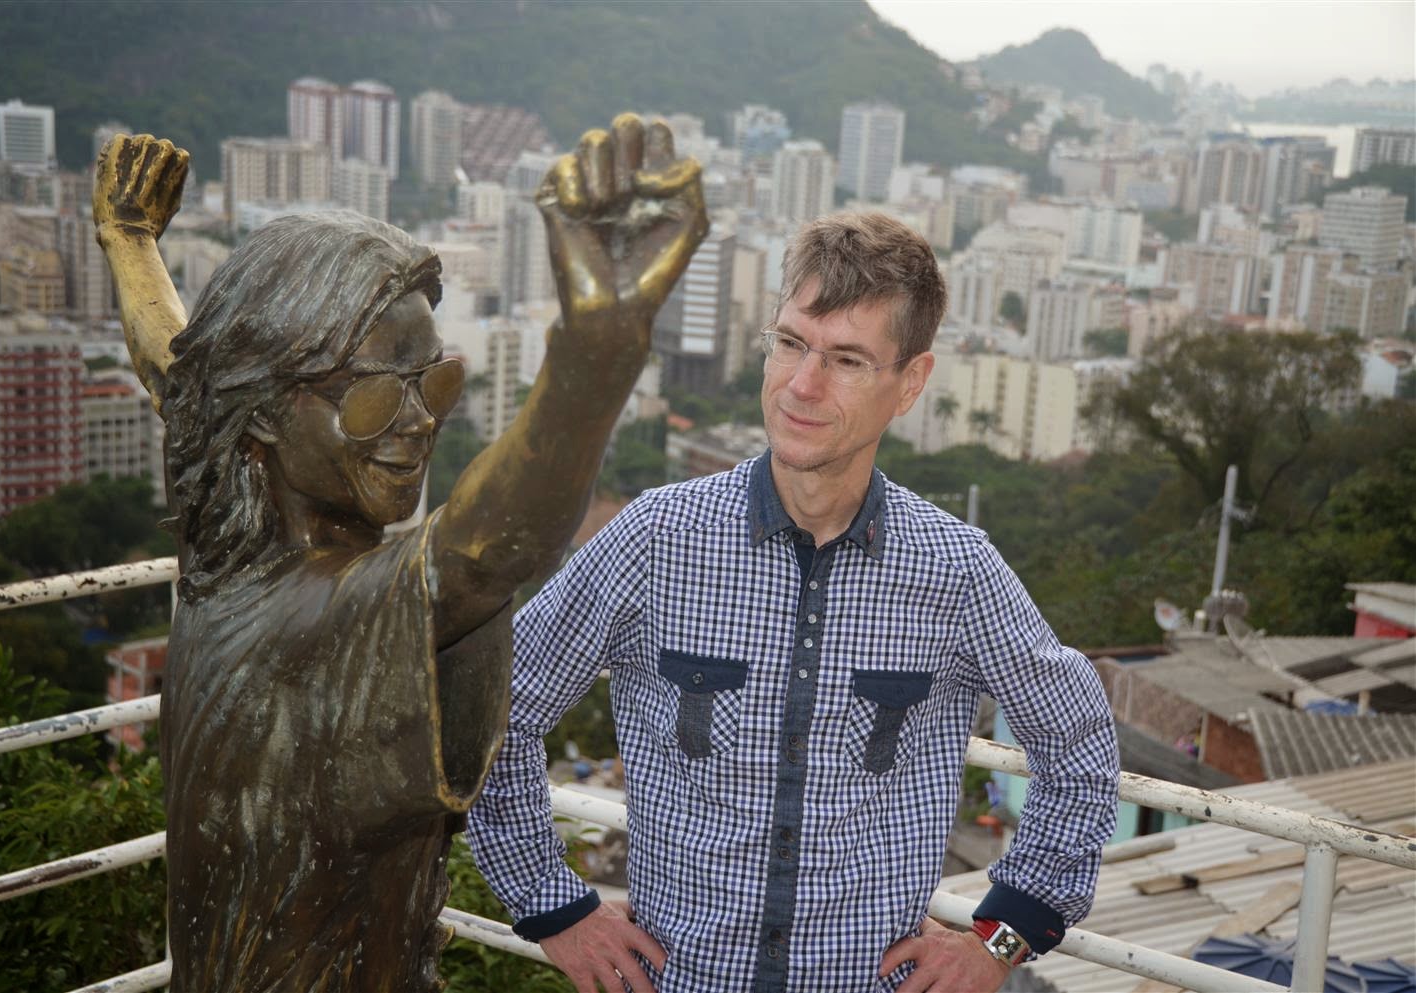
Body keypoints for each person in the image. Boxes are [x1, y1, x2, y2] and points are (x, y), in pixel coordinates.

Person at [91, 115, 706, 992]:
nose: (418, 421)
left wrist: (128, 240)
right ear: (267, 411)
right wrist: (598, 348)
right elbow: (486, 550)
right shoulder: (312, 613)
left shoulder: (223, 537)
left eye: (434, 380)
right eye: (376, 395)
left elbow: (180, 376)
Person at [467, 213, 1121, 993]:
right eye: (790, 343)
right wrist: (553, 906)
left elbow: (1079, 748)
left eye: (847, 360)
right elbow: (493, 709)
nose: (803, 385)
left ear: (911, 382)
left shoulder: (956, 572)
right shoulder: (656, 540)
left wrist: (998, 941)